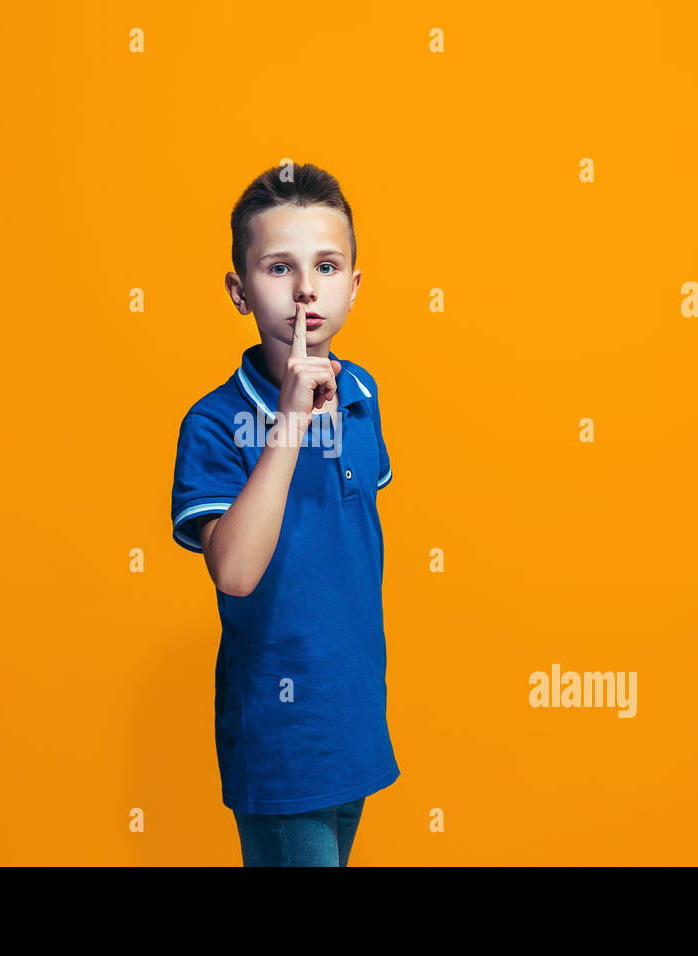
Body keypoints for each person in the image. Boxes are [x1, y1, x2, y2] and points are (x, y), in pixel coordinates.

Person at [170, 163, 398, 866]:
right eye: (279, 267)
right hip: (280, 738)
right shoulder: (213, 423)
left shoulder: (362, 393)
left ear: (353, 286)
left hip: (353, 723)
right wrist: (290, 423)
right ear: (240, 291)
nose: (306, 288)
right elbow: (235, 571)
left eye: (327, 266)